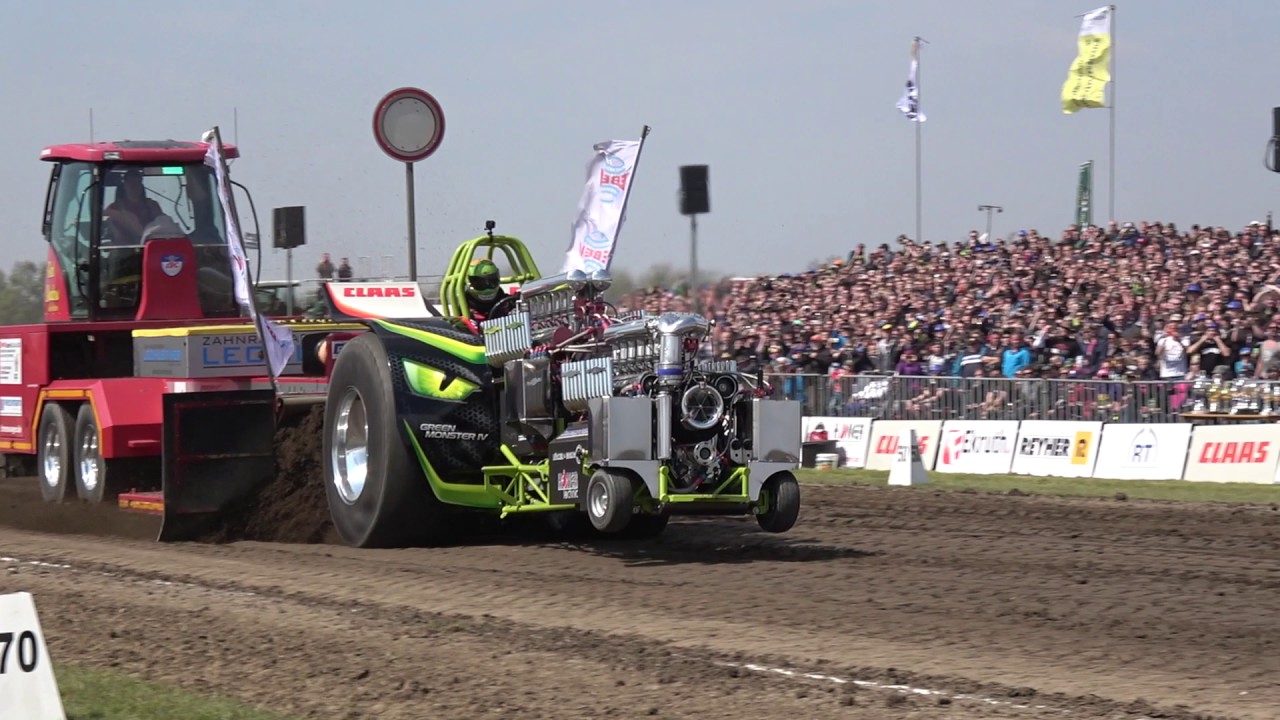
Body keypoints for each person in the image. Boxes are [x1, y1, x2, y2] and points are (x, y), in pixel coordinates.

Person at [103, 169, 164, 245]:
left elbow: (163, 225)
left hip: (148, 246)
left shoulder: (152, 205)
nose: (134, 186)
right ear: (124, 185)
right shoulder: (114, 208)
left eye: (137, 183)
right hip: (122, 250)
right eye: (131, 183)